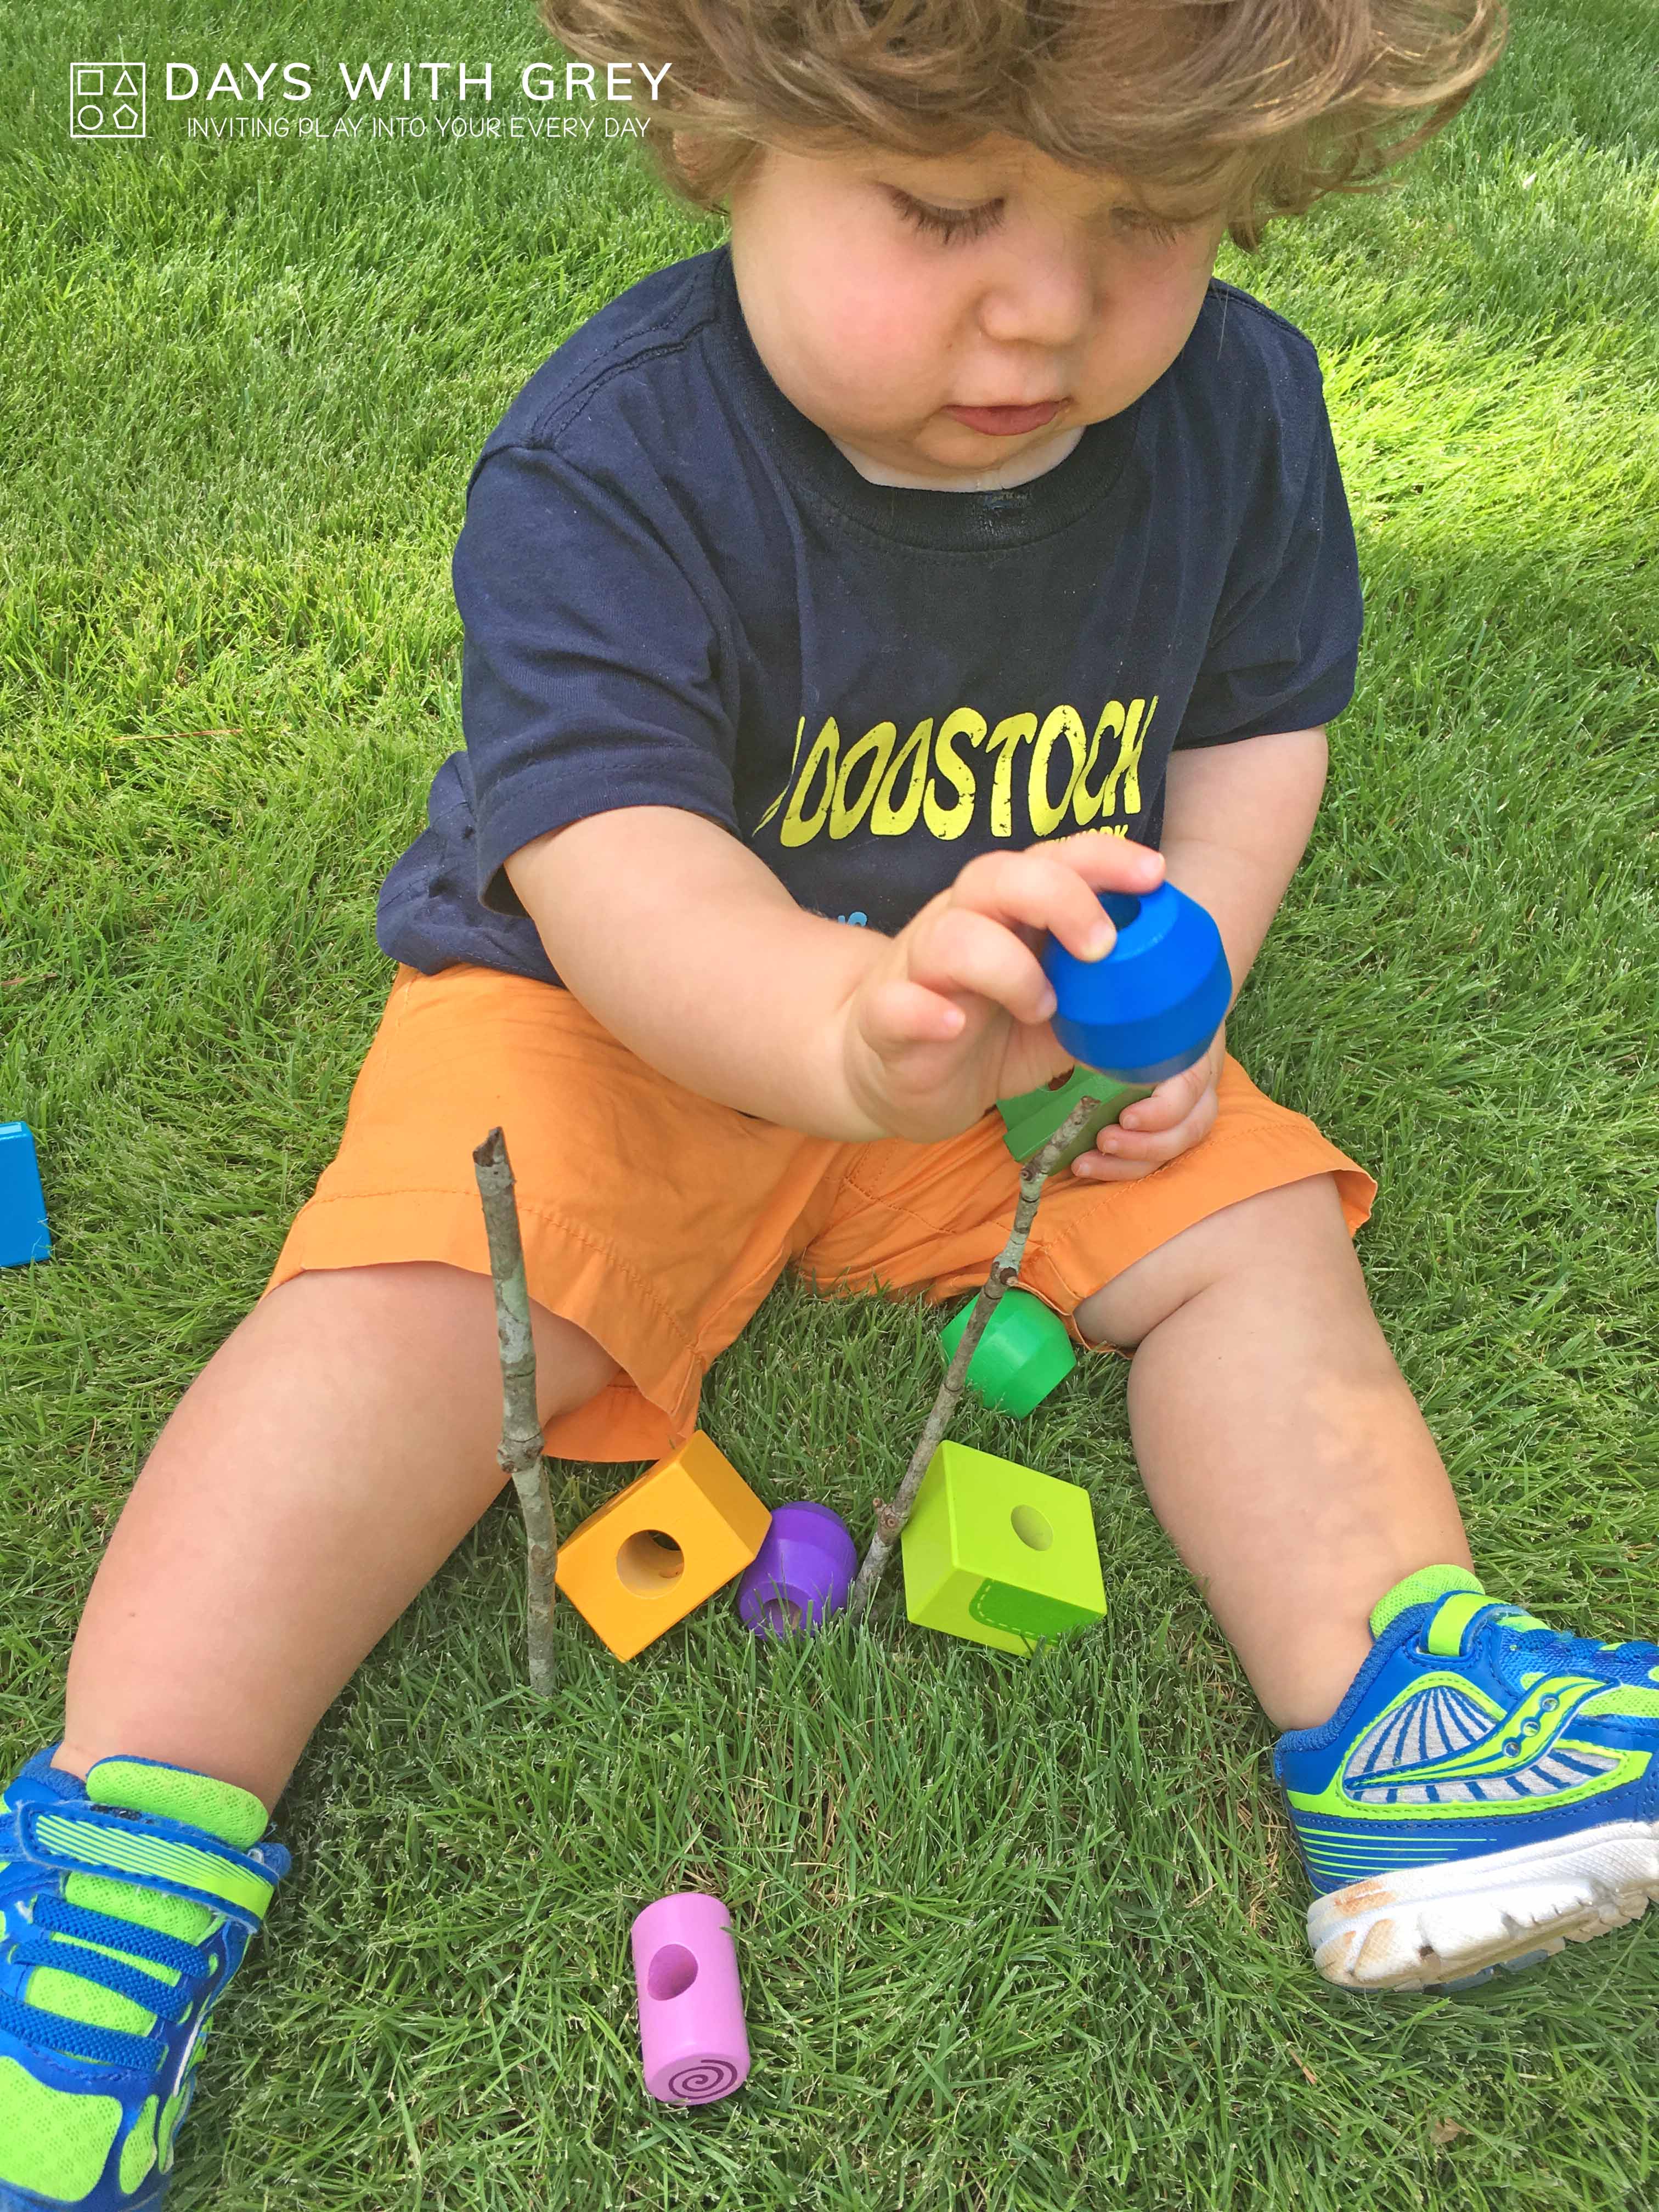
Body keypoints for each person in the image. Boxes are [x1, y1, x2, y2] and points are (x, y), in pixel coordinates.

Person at [15, 1, 1657, 2203]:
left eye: (1145, 219)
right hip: (611, 1020)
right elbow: (611, 863)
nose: (1048, 306)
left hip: (1025, 1054)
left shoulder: (1241, 408)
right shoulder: (612, 461)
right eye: (950, 205)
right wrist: (841, 1023)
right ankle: (128, 1848)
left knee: (1257, 1241)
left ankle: (1409, 1716)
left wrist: (1179, 1001)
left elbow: (1256, 734)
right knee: (403, 1319)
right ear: (724, 134)